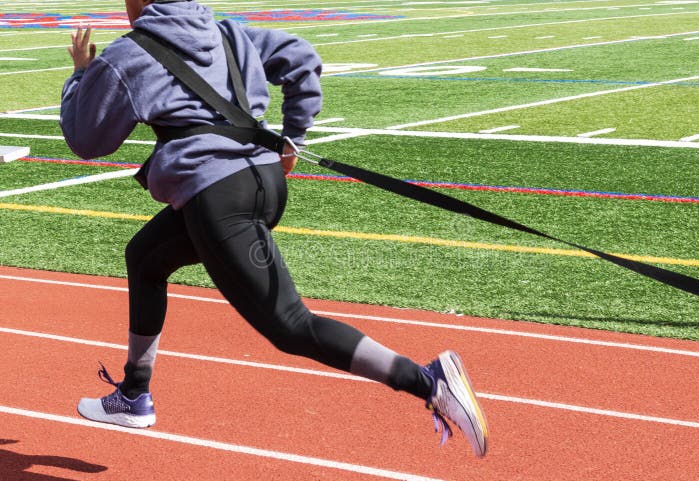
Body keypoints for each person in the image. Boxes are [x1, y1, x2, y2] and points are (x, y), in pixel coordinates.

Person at [61, 0, 488, 457]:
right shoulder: (228, 32)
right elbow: (301, 58)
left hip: (216, 198)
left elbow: (87, 141)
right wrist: (294, 136)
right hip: (262, 181)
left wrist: (82, 75)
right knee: (145, 258)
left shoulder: (129, 54)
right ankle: (133, 394)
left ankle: (428, 381)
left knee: (290, 326)